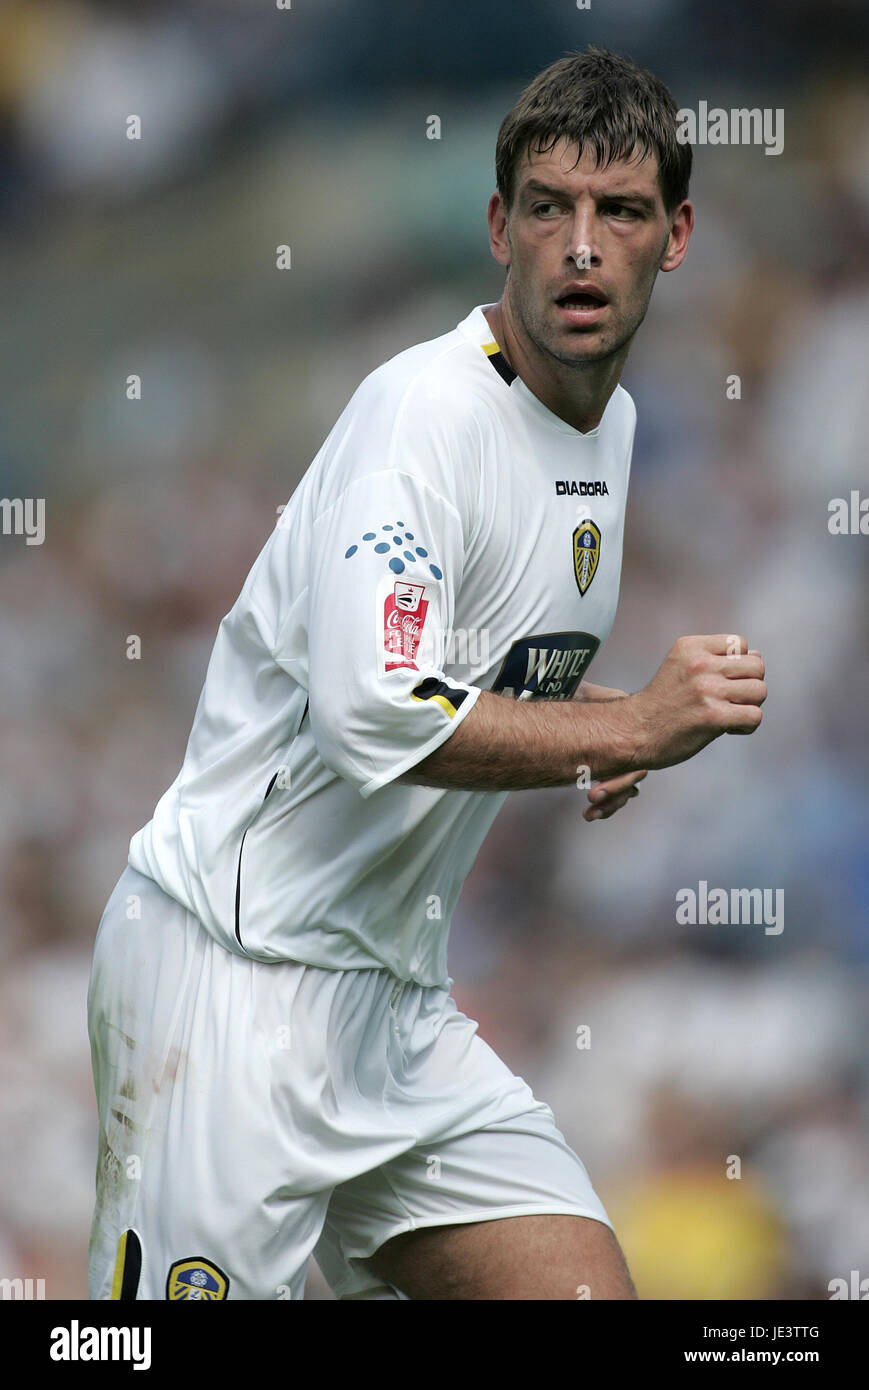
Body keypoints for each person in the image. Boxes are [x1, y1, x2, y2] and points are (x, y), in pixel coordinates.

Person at [87, 45, 766, 1302]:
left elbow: (474, 670)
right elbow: (377, 712)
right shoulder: (422, 420)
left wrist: (615, 726)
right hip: (231, 978)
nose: (579, 245)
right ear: (497, 224)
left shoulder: (603, 426)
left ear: (673, 237)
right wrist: (611, 735)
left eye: (617, 211)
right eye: (548, 208)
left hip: (390, 1008)